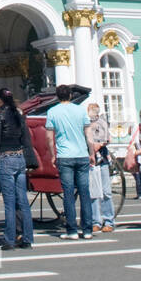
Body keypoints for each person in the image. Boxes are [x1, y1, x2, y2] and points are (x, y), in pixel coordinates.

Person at [46, 83, 94, 240]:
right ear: (71, 96)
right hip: (81, 155)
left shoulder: (52, 112)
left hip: (64, 156)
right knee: (84, 193)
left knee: (68, 193)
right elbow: (89, 135)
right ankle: (87, 229)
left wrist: (53, 155)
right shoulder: (80, 110)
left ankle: (72, 230)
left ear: (57, 96)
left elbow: (49, 139)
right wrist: (91, 153)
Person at [0, 89, 34, 250]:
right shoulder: (19, 114)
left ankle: (9, 239)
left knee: (9, 202)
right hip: (19, 157)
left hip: (6, 158)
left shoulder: (0, 115)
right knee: (23, 200)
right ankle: (28, 238)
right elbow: (25, 137)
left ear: (0, 100)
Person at [86, 101, 115, 233]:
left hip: (101, 159)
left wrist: (100, 145)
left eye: (94, 111)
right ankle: (95, 221)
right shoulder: (86, 123)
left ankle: (108, 220)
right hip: (91, 160)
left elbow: (108, 138)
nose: (93, 113)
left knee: (105, 191)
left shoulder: (102, 122)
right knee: (93, 192)